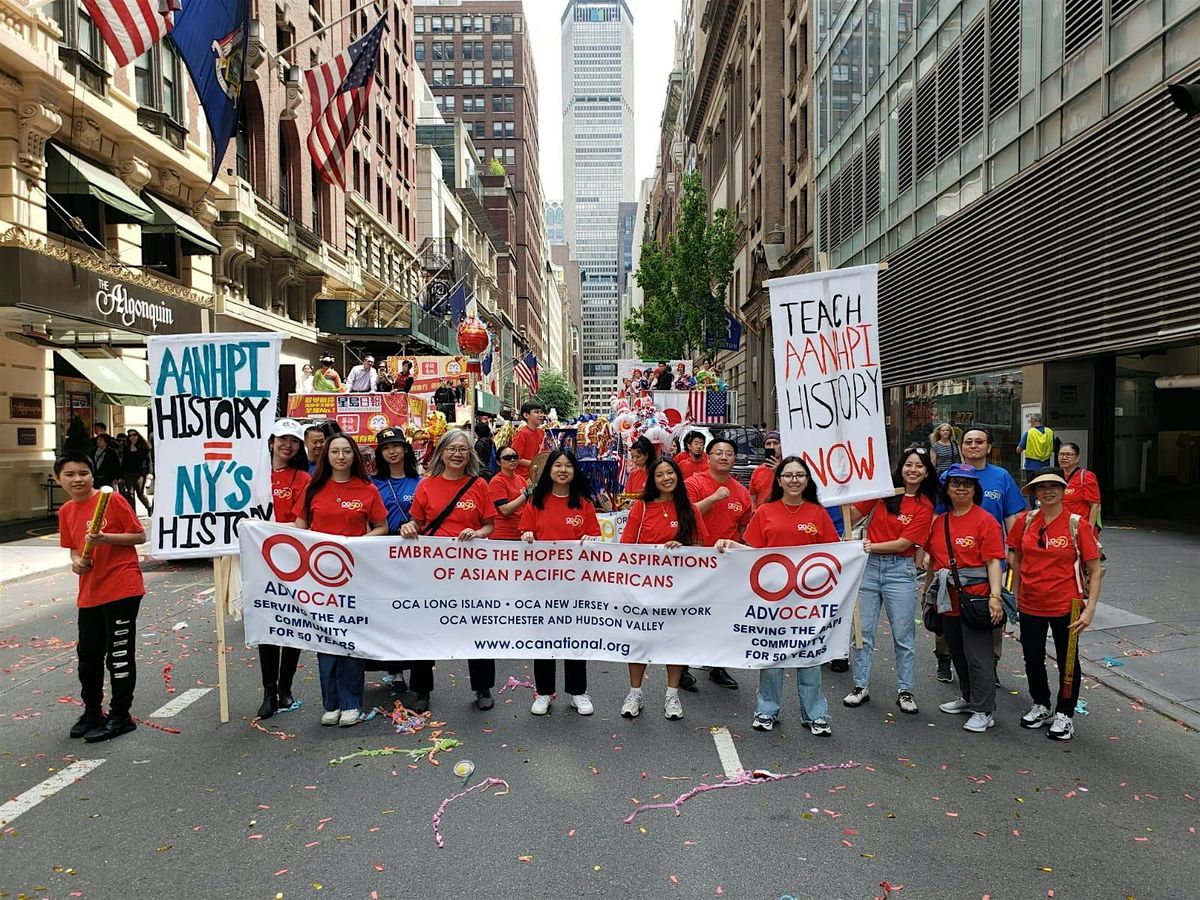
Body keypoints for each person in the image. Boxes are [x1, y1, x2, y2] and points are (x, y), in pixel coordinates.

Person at [716, 456, 840, 735]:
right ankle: (766, 710)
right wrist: (731, 545)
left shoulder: (818, 514)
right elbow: (754, 554)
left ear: (807, 481)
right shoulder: (765, 512)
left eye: (800, 475)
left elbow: (833, 554)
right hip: (773, 601)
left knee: (809, 657)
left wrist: (856, 549)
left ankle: (815, 714)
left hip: (808, 602)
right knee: (771, 656)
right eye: (788, 475)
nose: (794, 480)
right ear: (780, 481)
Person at [400, 429, 496, 713]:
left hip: (470, 572)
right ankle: (421, 690)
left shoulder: (479, 485)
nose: (457, 454)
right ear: (441, 452)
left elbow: (489, 526)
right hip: (432, 572)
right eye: (452, 449)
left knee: (476, 628)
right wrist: (409, 527)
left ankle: (483, 687)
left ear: (470, 455)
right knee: (425, 628)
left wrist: (476, 533)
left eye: (463, 449)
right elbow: (417, 522)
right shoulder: (426, 485)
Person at [295, 434, 389, 727]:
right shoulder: (313, 488)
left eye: (346, 451)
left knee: (349, 637)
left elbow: (382, 527)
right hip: (318, 578)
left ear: (354, 456)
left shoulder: (367, 489)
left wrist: (357, 543)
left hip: (353, 575)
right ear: (326, 456)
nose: (340, 456)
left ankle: (351, 703)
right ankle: (331, 703)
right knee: (325, 638)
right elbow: (300, 527)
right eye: (335, 451)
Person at [56, 453, 147, 742]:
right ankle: (92, 711)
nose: (77, 479)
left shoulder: (112, 500)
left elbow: (139, 536)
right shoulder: (66, 511)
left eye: (83, 473)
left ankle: (121, 716)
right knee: (88, 656)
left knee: (118, 654)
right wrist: (77, 562)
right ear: (58, 479)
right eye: (70, 474)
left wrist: (106, 538)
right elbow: (73, 548)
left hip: (122, 586)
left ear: (92, 475)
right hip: (90, 591)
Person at [1008, 469, 1103, 742]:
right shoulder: (1025, 521)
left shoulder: (1077, 524)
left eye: (1054, 486)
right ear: (1034, 492)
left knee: (1067, 661)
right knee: (1032, 657)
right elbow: (1016, 559)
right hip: (1030, 603)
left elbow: (1095, 570)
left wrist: (1090, 609)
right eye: (1041, 487)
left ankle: (1065, 713)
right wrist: (1015, 593)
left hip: (1067, 605)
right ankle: (1041, 704)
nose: (1048, 491)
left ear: (1063, 490)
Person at [843, 446, 938, 715]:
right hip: (869, 569)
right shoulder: (882, 494)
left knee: (903, 634)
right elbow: (851, 515)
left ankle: (905, 690)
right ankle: (860, 686)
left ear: (926, 473)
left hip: (900, 571)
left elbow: (904, 543)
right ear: (900, 467)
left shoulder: (924, 505)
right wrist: (842, 492)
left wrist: (869, 546)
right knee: (862, 632)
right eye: (909, 464)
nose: (913, 470)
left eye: (919, 466)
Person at [619, 457, 711, 720]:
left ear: (677, 476)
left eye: (670, 473)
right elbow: (626, 547)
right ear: (653, 480)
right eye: (659, 475)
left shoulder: (689, 509)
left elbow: (700, 547)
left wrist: (682, 548)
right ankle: (635, 693)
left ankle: (672, 694)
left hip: (679, 589)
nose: (666, 478)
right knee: (640, 640)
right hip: (644, 589)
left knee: (675, 640)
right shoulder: (641, 508)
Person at [933, 426, 1025, 686]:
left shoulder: (1002, 477)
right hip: (953, 561)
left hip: (991, 560)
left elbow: (1012, 516)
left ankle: (990, 664)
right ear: (961, 446)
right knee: (948, 612)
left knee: (991, 614)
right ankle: (945, 658)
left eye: (979, 442)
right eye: (968, 441)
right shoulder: (947, 477)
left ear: (988, 447)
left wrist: (1013, 551)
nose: (974, 446)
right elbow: (937, 515)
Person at [922, 463, 1006, 733]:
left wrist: (995, 596)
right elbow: (933, 563)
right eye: (955, 483)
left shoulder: (986, 521)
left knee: (979, 657)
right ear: (946, 489)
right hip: (947, 600)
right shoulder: (940, 522)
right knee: (957, 652)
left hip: (976, 599)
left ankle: (984, 710)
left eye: (967, 484)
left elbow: (993, 562)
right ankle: (969, 698)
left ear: (974, 489)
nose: (961, 488)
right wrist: (927, 593)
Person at [520, 449, 601, 715]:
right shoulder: (536, 502)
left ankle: (578, 692)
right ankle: (544, 692)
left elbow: (594, 536)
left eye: (568, 465)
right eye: (557, 465)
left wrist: (590, 540)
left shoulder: (584, 503)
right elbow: (526, 532)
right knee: (543, 637)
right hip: (541, 584)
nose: (562, 470)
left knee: (575, 637)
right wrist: (527, 535)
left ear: (574, 471)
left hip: (576, 585)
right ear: (549, 470)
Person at [685, 436, 752, 691]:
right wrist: (713, 498)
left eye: (729, 453)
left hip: (727, 564)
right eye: (719, 453)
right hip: (695, 560)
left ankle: (718, 666)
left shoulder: (741, 492)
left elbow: (744, 528)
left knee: (723, 616)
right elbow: (686, 516)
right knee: (690, 615)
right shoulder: (694, 483)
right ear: (709, 456)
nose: (724, 457)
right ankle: (681, 668)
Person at [256, 419, 311, 719]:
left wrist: (267, 530)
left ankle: (285, 687)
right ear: (271, 442)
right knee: (266, 624)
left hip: (292, 560)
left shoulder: (302, 478)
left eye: (294, 441)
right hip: (258, 560)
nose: (287, 446)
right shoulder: (253, 474)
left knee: (292, 623)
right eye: (282, 439)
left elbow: (302, 523)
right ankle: (268, 690)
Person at [369, 426, 422, 696]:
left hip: (414, 555)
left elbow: (426, 515)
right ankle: (395, 670)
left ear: (405, 449)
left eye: (396, 446)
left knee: (413, 614)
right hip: (382, 554)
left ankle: (419, 672)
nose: (392, 451)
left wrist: (414, 524)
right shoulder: (372, 484)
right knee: (389, 615)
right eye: (386, 448)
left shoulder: (420, 481)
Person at [489, 443, 531, 541]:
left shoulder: (521, 479)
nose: (512, 460)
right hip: (503, 535)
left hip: (520, 533)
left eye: (515, 457)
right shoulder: (497, 481)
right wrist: (526, 494)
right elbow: (505, 510)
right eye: (507, 458)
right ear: (498, 462)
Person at [1058, 443, 1101, 528]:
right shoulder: (1055, 476)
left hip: (1078, 526)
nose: (1064, 457)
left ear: (1077, 458)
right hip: (1059, 526)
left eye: (1068, 454)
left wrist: (1090, 529)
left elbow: (1094, 505)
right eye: (1061, 454)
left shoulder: (1086, 476)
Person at [510, 400, 547, 481]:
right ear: (526, 415)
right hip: (523, 478)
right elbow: (516, 458)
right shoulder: (522, 434)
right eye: (536, 412)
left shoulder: (542, 432)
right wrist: (535, 463)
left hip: (537, 475)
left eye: (541, 412)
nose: (541, 415)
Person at [120, 429, 153, 515]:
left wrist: (150, 473)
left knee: (141, 494)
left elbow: (148, 461)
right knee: (130, 494)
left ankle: (149, 506)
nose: (132, 437)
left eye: (134, 435)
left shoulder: (144, 447)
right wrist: (121, 475)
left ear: (138, 436)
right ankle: (132, 513)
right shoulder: (126, 447)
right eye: (130, 435)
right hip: (128, 473)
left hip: (140, 474)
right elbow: (124, 462)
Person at [1017, 413, 1056, 483]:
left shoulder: (1029, 432)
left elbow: (1018, 450)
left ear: (1032, 421)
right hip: (1046, 466)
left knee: (1032, 487)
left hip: (1031, 467)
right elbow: (1053, 448)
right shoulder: (1050, 432)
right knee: (1043, 486)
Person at [749, 431, 781, 509]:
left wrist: (779, 471)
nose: (772, 447)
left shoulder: (789, 469)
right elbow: (753, 498)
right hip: (762, 513)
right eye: (768, 444)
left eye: (776, 443)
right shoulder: (758, 471)